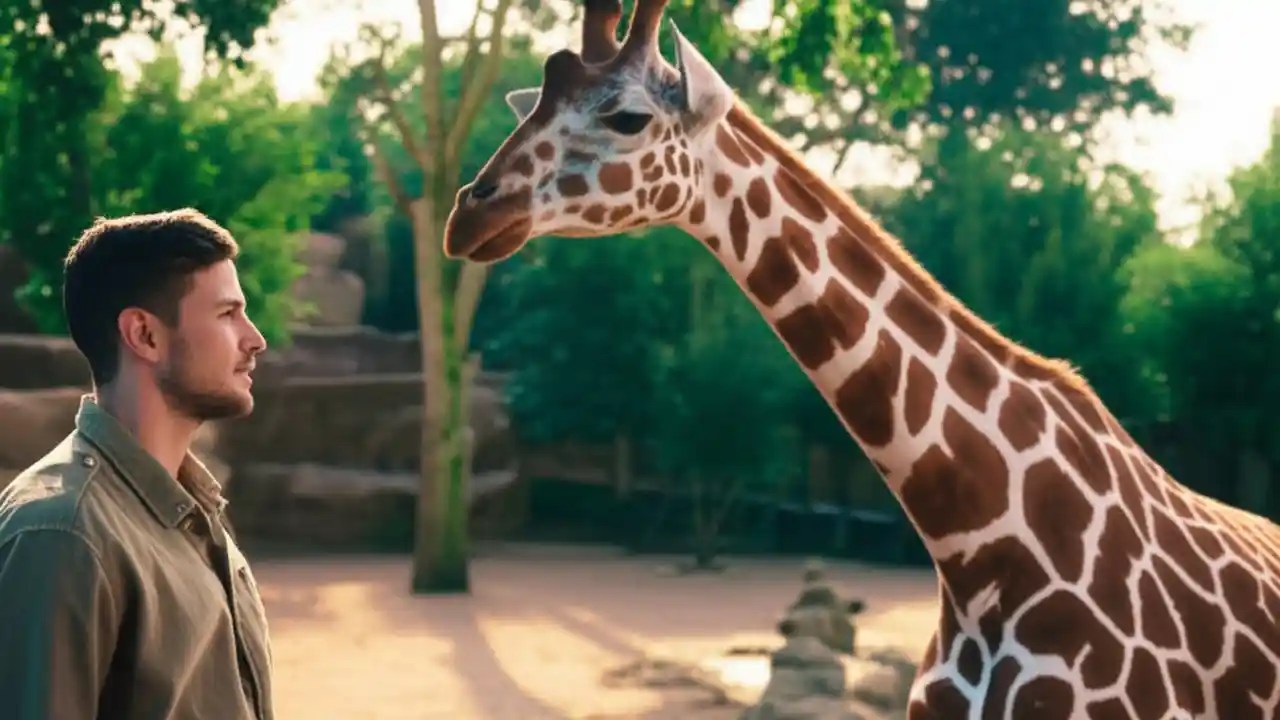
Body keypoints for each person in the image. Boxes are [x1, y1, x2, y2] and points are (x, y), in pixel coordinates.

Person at [0, 208, 274, 719]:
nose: (254, 338)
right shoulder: (62, 534)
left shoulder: (192, 509)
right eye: (226, 314)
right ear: (145, 335)